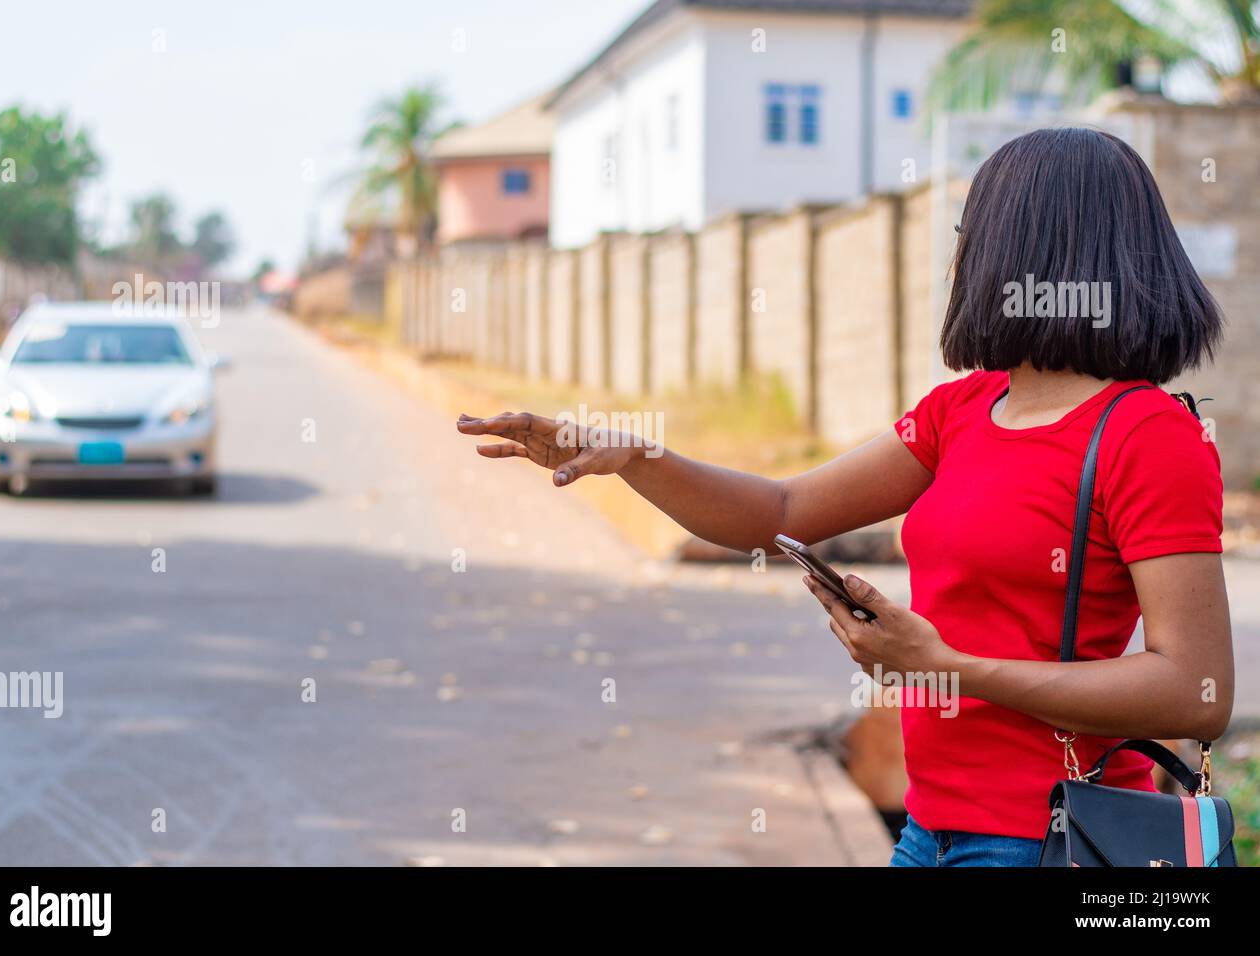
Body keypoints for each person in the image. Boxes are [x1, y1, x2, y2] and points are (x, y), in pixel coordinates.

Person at [456, 127, 1232, 866]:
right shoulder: (961, 411)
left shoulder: (1149, 436)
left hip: (1050, 838)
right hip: (931, 831)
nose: (957, 255)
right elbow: (781, 512)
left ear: (1022, 252)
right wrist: (636, 456)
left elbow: (1195, 691)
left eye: (971, 231)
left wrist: (947, 667)